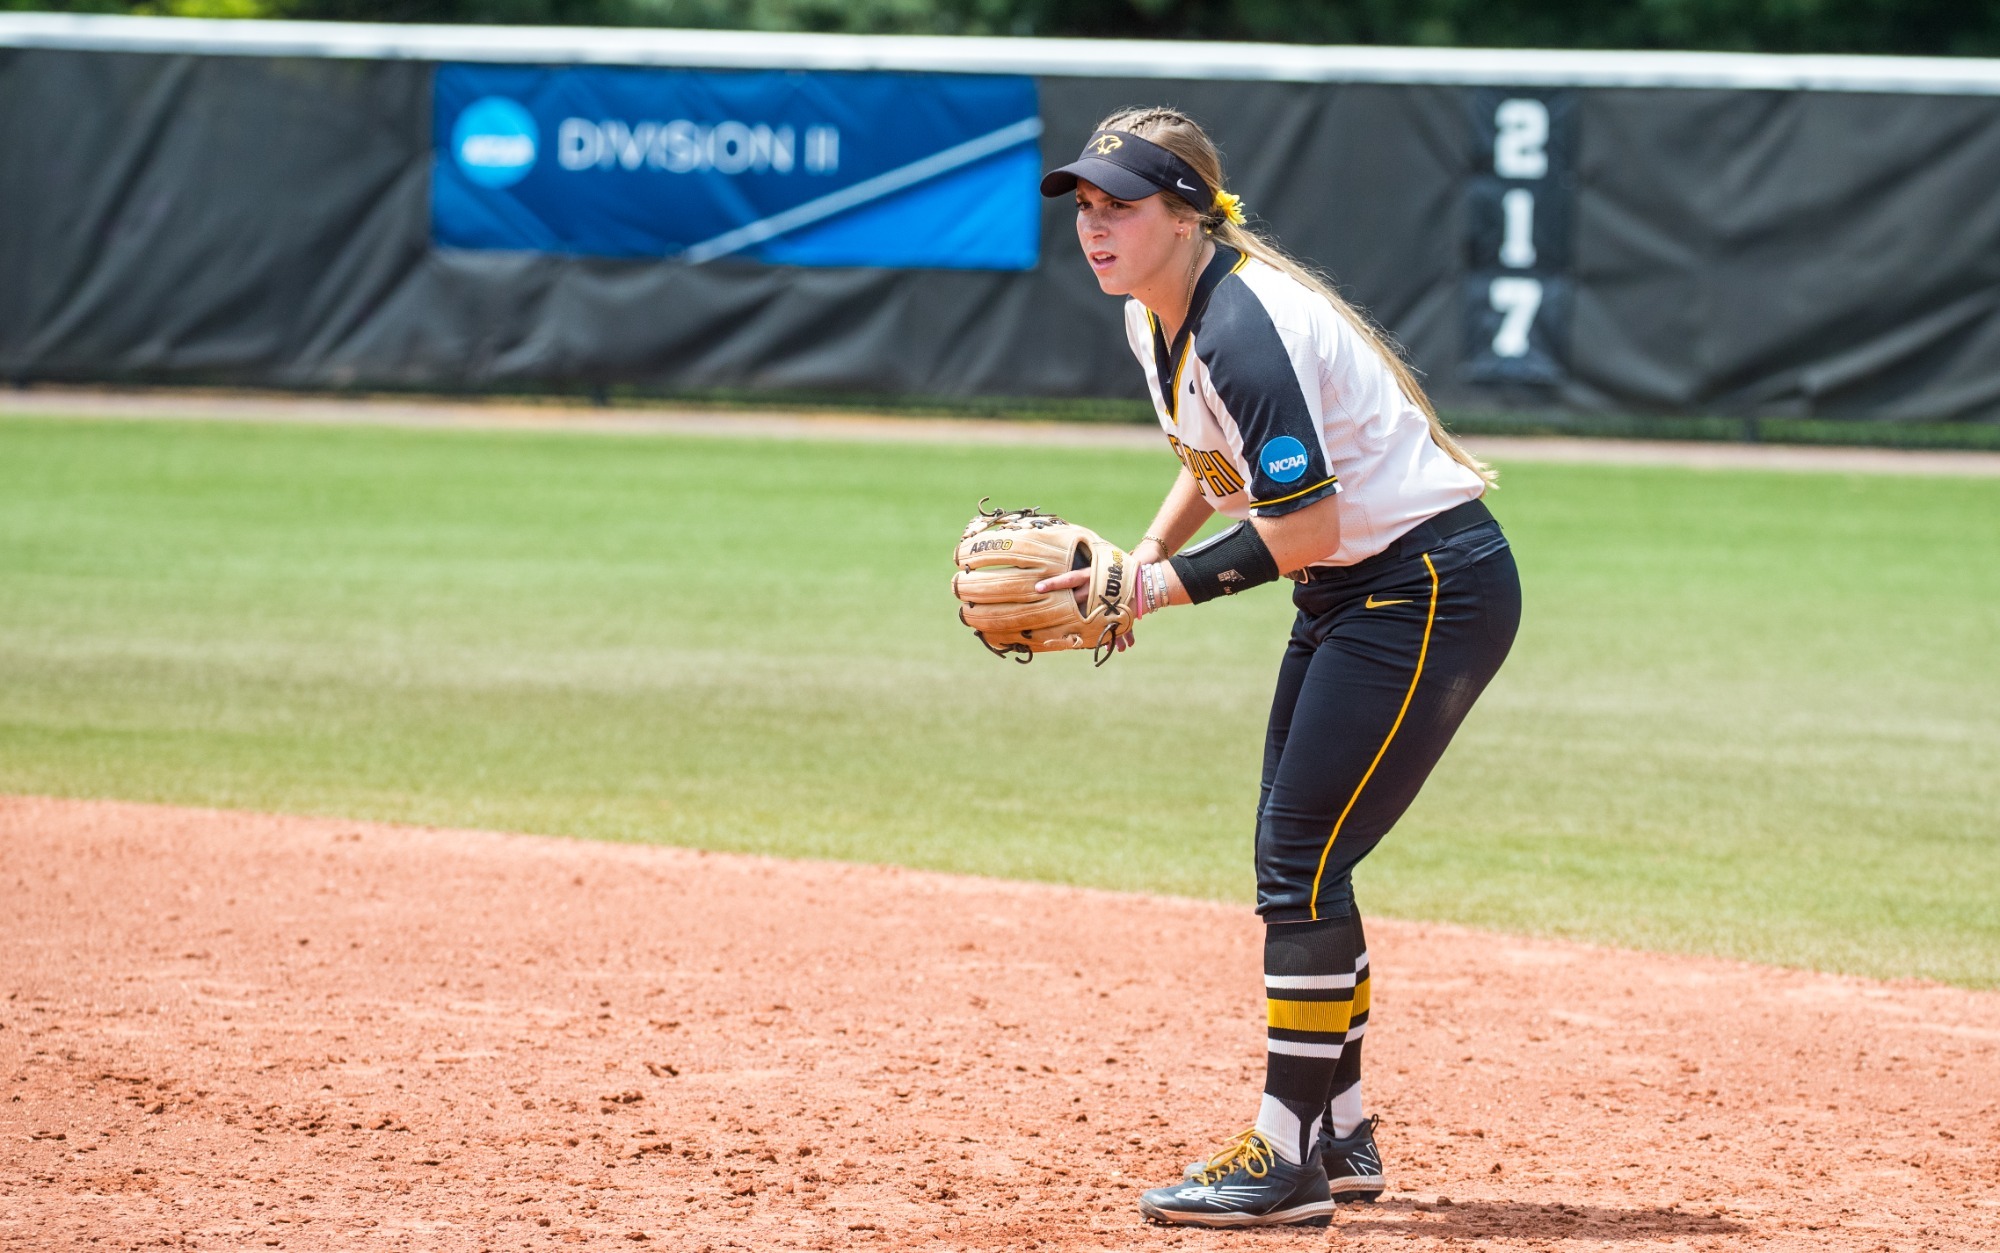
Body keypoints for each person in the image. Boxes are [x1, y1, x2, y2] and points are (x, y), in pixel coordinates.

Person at [1034, 108, 1523, 1229]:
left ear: (1186, 215)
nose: (1095, 228)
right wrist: (1142, 554)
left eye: (1120, 207)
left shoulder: (1244, 324)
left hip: (1423, 589)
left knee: (1299, 862)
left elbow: (1305, 526)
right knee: (1300, 856)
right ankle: (1338, 1134)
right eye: (1085, 207)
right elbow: (1216, 460)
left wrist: (1147, 592)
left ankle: (1285, 1154)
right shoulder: (1159, 316)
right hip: (1360, 591)